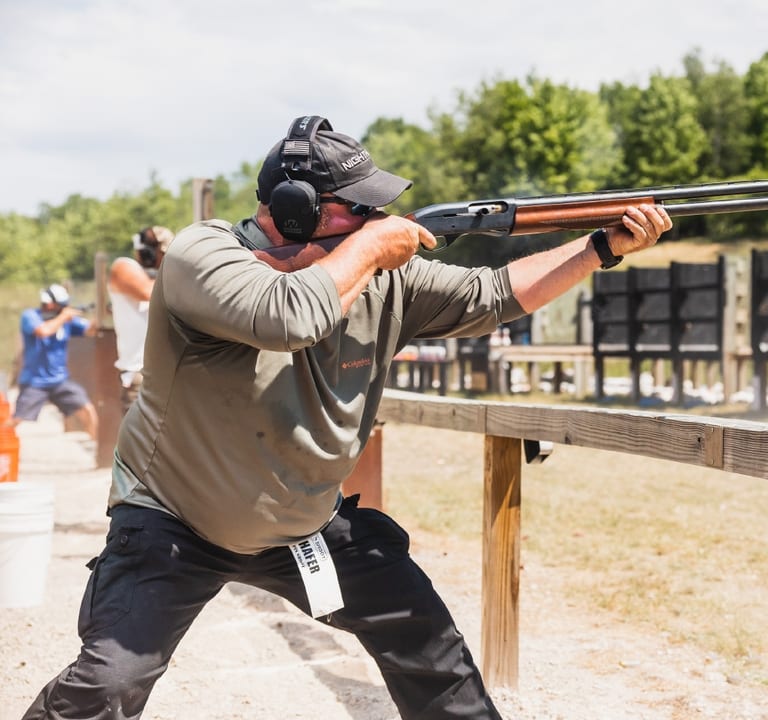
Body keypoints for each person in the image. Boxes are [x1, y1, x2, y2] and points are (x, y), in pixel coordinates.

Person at [21, 114, 671, 720]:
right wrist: (372, 247)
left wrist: (598, 248)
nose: (375, 219)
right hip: (175, 523)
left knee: (428, 643)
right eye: (357, 208)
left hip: (302, 524)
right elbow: (289, 316)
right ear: (294, 210)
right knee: (110, 683)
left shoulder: (379, 276)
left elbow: (494, 294)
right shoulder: (203, 255)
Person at [12, 284, 98, 442]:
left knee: (87, 409)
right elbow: (43, 331)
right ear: (50, 304)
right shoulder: (30, 316)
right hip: (34, 381)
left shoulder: (65, 320)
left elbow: (90, 331)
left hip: (60, 380)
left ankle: (99, 449)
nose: (64, 308)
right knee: (16, 420)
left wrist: (98, 317)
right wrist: (64, 317)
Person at [107, 225, 173, 413]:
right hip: (141, 376)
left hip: (168, 376)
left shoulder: (161, 279)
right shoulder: (123, 266)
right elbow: (147, 292)